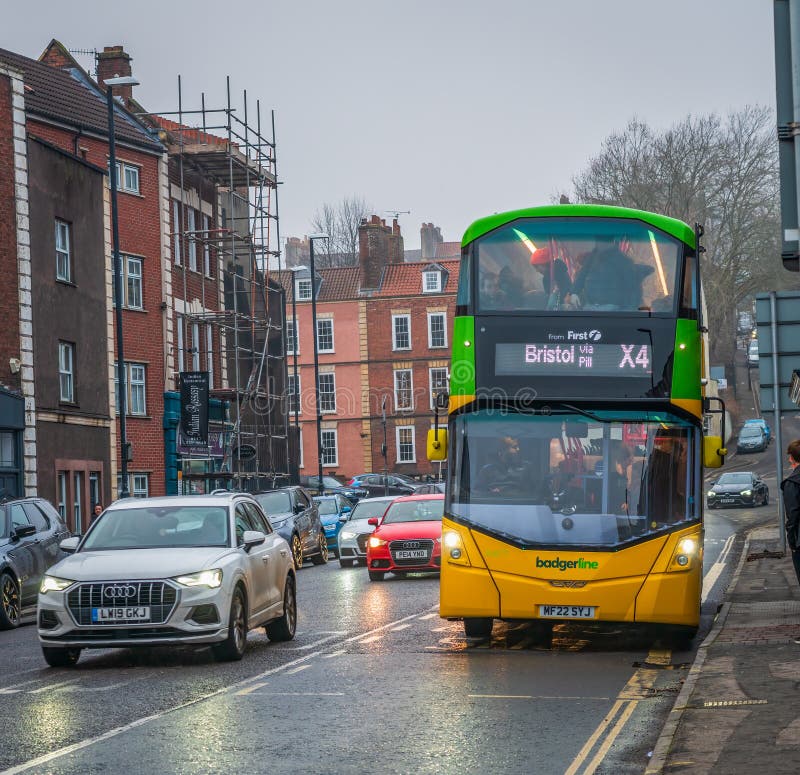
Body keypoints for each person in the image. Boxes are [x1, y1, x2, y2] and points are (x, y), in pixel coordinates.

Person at [572, 236, 654, 310]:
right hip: (590, 307)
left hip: (611, 310)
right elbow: (582, 275)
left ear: (610, 243)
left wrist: (628, 311)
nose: (599, 245)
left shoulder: (622, 261)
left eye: (602, 242)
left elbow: (632, 287)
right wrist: (574, 292)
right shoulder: (592, 257)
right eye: (598, 242)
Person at [780, 441, 800, 644]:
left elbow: (792, 515)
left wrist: (791, 541)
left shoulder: (793, 483)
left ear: (793, 459)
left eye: (789, 456)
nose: (788, 459)